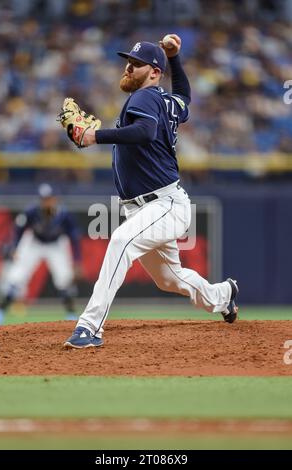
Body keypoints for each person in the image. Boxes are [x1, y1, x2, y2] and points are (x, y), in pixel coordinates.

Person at [62, 35, 239, 349]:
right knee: (170, 279)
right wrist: (175, 58)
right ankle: (223, 295)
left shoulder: (145, 97)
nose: (129, 67)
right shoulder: (165, 101)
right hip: (153, 207)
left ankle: (89, 328)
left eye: (137, 64)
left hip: (164, 204)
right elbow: (183, 95)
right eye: (128, 62)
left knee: (120, 241)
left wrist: (94, 137)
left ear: (154, 72)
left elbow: (144, 132)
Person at [0, 183, 82, 325]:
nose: (46, 202)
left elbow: (74, 237)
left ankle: (71, 314)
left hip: (56, 244)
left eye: (49, 198)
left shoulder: (64, 214)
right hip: (34, 242)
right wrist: (15, 247)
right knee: (16, 277)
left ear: (55, 199)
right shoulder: (32, 211)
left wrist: (77, 260)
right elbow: (19, 229)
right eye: (44, 199)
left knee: (64, 279)